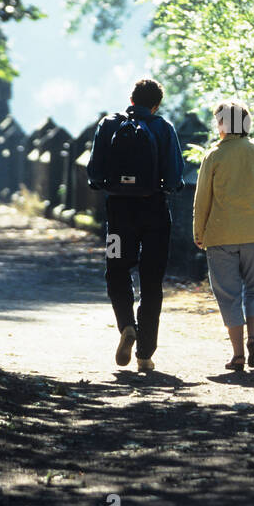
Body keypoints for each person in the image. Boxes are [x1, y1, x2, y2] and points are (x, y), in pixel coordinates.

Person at [86, 78, 185, 372]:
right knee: (152, 280)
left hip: (118, 212)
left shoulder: (109, 125)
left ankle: (126, 326)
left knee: (116, 268)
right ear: (156, 105)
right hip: (154, 211)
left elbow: (94, 172)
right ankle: (145, 354)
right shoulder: (163, 128)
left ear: (131, 100)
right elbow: (176, 178)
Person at [192, 99, 254, 372]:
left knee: (229, 294)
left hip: (221, 234)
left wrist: (199, 232)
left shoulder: (214, 156)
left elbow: (202, 199)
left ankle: (238, 354)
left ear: (221, 124)